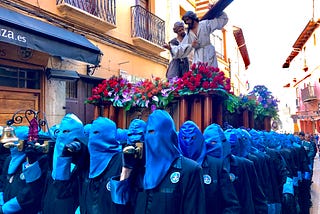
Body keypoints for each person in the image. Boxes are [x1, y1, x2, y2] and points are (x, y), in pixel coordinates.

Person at [110, 109, 206, 213]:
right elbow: (119, 208)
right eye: (147, 132)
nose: (149, 137)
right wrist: (126, 171)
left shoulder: (189, 170)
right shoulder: (140, 169)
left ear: (168, 134)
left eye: (152, 132)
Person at [178, 120, 241, 213]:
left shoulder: (216, 166)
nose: (188, 142)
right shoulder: (173, 167)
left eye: (193, 138)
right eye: (184, 138)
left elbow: (232, 204)